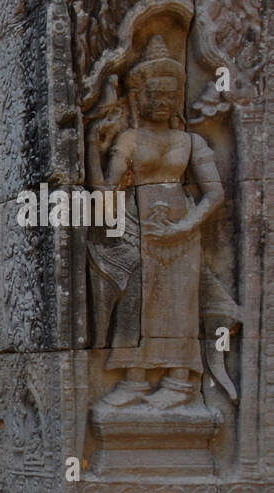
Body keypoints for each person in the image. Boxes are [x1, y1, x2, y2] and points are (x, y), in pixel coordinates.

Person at [86, 34, 225, 410]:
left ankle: (179, 382)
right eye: (154, 94)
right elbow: (108, 191)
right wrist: (89, 146)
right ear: (137, 96)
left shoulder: (190, 142)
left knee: (180, 306)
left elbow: (215, 194)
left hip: (182, 235)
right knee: (136, 302)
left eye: (169, 94)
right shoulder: (129, 138)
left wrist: (184, 226)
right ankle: (134, 379)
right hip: (138, 230)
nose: (162, 102)